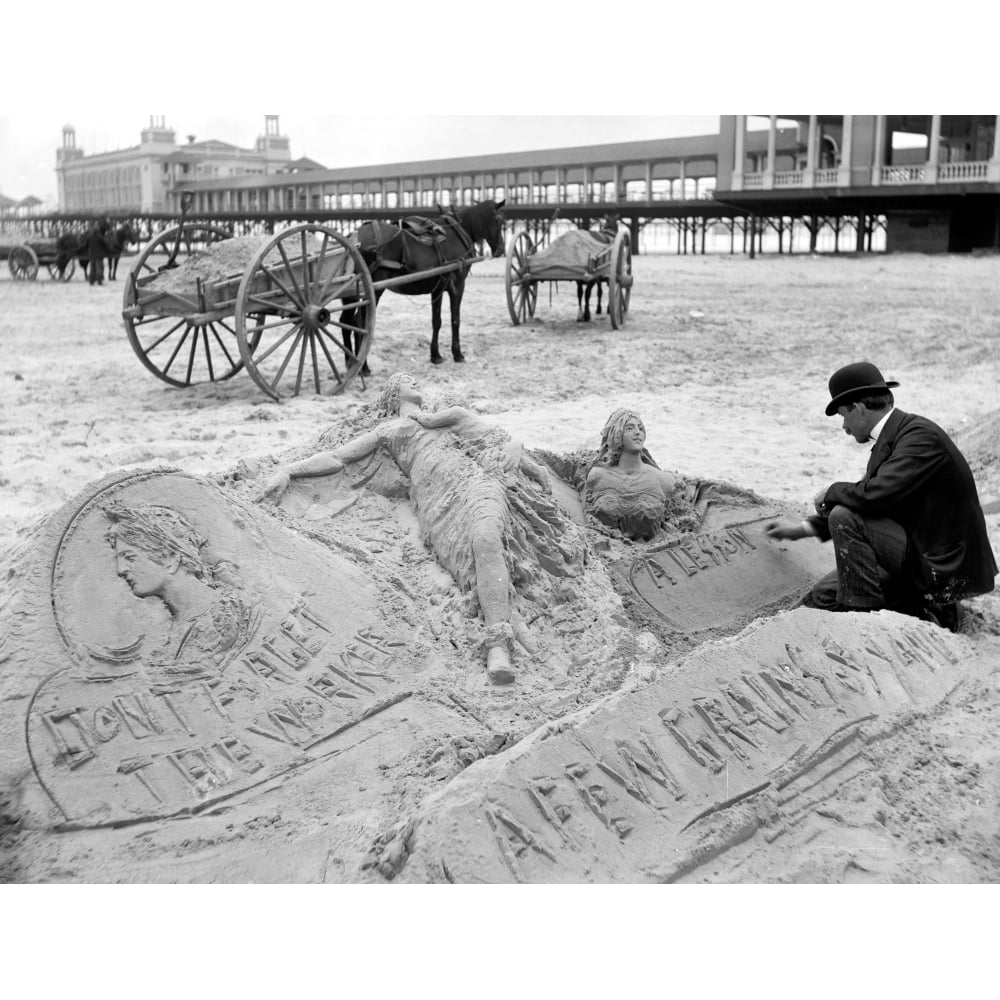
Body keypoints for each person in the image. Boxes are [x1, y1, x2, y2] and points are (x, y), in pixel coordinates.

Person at [256, 373, 584, 685]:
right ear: (393, 395)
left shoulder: (445, 417)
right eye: (404, 380)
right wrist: (289, 471)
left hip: (473, 479)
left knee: (485, 538)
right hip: (435, 502)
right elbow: (339, 458)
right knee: (466, 564)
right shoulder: (390, 429)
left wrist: (519, 450)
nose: (413, 380)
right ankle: (507, 622)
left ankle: (498, 647)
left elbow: (494, 439)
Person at [764, 361, 997, 629]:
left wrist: (832, 490)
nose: (844, 427)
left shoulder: (919, 436)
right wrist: (800, 530)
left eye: (843, 416)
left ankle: (868, 621)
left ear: (859, 409)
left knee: (843, 516)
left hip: (940, 569)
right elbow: (869, 500)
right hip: (916, 551)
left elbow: (872, 497)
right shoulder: (897, 436)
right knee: (824, 596)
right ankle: (910, 607)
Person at [104, 500, 258, 679]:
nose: (120, 570)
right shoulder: (175, 635)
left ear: (171, 558)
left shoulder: (227, 616)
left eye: (130, 557)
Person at [585, 408, 679, 540]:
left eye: (640, 428)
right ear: (616, 435)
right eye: (629, 428)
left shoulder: (661, 479)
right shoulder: (597, 476)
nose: (637, 433)